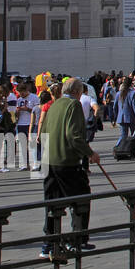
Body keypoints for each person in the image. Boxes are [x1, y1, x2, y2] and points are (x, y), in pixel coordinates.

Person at [39, 79, 98, 259]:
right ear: (77, 91)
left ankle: (48, 243)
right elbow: (73, 135)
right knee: (81, 198)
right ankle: (77, 239)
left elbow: (43, 134)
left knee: (52, 201)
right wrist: (90, 153)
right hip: (67, 162)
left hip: (49, 161)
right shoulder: (74, 105)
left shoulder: (54, 105)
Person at [113, 81, 135, 154]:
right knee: (134, 136)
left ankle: (118, 149)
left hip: (121, 117)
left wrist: (116, 116)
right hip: (131, 117)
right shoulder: (133, 93)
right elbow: (134, 107)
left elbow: (114, 107)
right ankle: (133, 152)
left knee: (123, 136)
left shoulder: (118, 94)